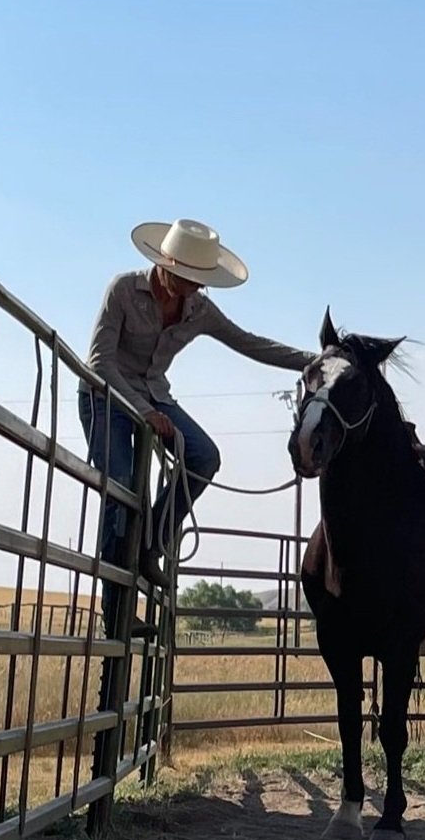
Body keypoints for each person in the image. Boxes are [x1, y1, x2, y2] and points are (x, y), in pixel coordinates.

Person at [81, 219, 310, 587]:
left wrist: (314, 360)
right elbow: (100, 363)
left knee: (204, 456)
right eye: (188, 278)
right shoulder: (123, 289)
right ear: (166, 263)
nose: (195, 288)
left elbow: (249, 342)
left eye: (200, 280)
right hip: (107, 396)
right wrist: (144, 412)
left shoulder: (198, 309)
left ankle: (151, 543)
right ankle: (114, 610)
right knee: (121, 484)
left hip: (155, 394)